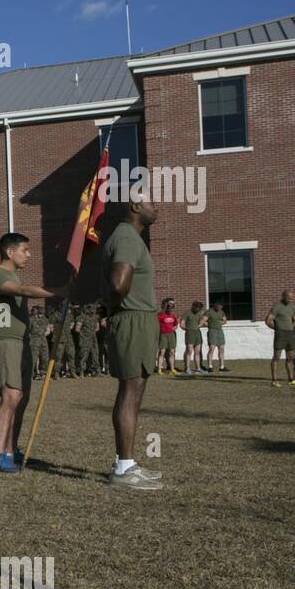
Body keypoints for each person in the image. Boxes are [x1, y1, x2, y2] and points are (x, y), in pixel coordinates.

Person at [0, 233, 67, 473]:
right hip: (5, 342)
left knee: (21, 399)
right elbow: (22, 291)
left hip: (22, 342)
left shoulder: (12, 275)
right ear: (9, 252)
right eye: (25, 250)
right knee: (10, 397)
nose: (29, 255)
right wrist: (58, 291)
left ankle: (10, 450)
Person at [103, 195, 163, 490]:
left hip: (136, 317)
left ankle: (126, 462)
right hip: (132, 318)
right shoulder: (126, 237)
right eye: (151, 202)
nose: (157, 207)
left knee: (134, 390)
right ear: (135, 206)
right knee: (130, 390)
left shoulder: (130, 238)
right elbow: (118, 283)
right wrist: (118, 310)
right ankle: (124, 469)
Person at [265, 289, 295, 388]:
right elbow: (268, 320)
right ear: (283, 296)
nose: (290, 300)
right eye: (288, 298)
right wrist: (277, 329)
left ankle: (291, 379)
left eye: (292, 298)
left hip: (290, 334)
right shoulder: (277, 306)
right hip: (280, 334)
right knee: (276, 357)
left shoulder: (292, 306)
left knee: (290, 357)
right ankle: (274, 380)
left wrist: (293, 325)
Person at [179, 301, 207, 375]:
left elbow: (202, 322)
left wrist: (199, 325)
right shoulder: (187, 313)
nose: (198, 310)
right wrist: (187, 329)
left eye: (199, 309)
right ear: (193, 306)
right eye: (197, 308)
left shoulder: (199, 314)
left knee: (197, 351)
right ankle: (187, 368)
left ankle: (198, 368)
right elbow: (182, 324)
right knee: (189, 351)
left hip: (197, 333)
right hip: (189, 333)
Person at [75, 303, 100, 376]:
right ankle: (82, 372)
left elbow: (97, 328)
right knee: (83, 356)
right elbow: (77, 329)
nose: (93, 311)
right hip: (85, 340)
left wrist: (91, 332)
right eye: (91, 310)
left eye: (94, 310)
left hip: (93, 340)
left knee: (95, 355)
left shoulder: (95, 317)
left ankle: (97, 371)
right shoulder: (82, 317)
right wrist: (84, 334)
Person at [204, 301, 229, 372]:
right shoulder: (209, 312)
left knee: (221, 348)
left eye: (221, 307)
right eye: (219, 306)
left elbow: (225, 321)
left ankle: (222, 367)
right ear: (215, 305)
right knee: (212, 348)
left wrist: (220, 323)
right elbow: (203, 320)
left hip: (220, 331)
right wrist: (210, 325)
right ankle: (209, 366)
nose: (220, 308)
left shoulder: (221, 312)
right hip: (212, 331)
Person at [156, 298, 178, 375]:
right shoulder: (161, 315)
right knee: (162, 351)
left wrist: (174, 328)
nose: (171, 310)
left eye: (172, 309)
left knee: (172, 352)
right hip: (163, 335)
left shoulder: (173, 316)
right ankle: (159, 369)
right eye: (169, 308)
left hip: (171, 335)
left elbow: (176, 324)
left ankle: (172, 369)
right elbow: (156, 324)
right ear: (166, 308)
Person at [28, 305, 50, 380]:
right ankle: (30, 375)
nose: (41, 314)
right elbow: (28, 331)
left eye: (42, 313)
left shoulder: (45, 320)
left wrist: (43, 334)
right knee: (33, 358)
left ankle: (42, 373)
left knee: (45, 357)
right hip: (34, 341)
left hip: (43, 340)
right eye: (40, 312)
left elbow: (48, 330)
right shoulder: (31, 319)